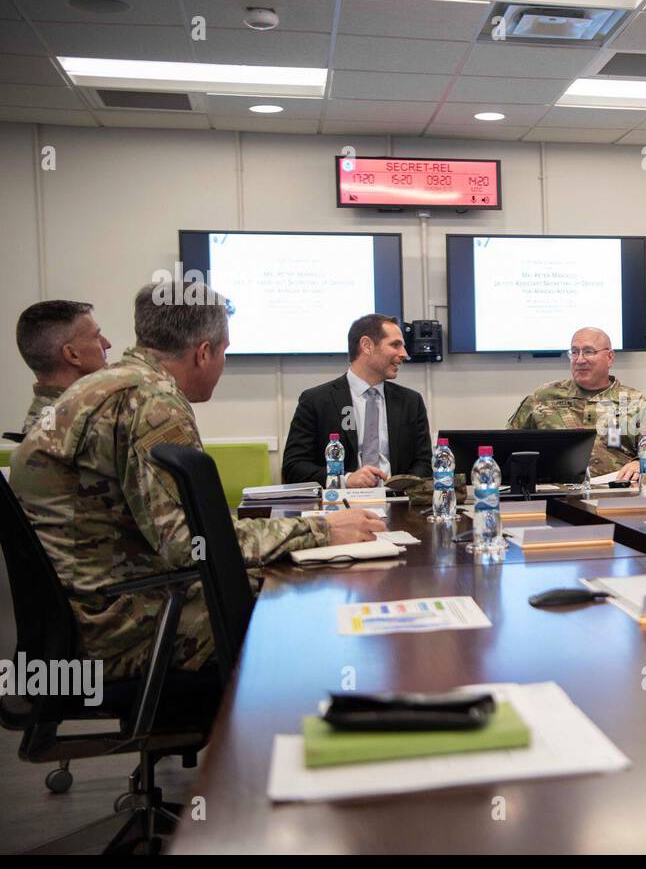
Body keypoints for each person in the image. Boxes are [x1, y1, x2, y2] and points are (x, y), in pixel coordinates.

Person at [10, 281, 383, 680]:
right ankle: (273, 736)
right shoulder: (152, 402)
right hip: (125, 629)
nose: (222, 362)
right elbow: (192, 547)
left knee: (290, 582)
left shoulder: (111, 384)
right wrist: (320, 530)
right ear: (203, 352)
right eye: (224, 351)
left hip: (90, 613)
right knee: (311, 603)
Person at [282, 313, 433, 487]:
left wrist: (400, 487)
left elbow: (424, 464)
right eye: (395, 345)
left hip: (398, 503)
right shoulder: (316, 401)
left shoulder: (411, 402)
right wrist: (345, 480)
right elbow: (293, 468)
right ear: (367, 345)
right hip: (341, 503)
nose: (404, 354)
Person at [508, 326, 646, 480]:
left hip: (615, 496)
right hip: (555, 495)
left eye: (588, 352)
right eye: (574, 352)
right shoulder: (542, 398)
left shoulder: (634, 402)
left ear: (610, 357)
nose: (580, 360)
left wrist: (640, 464)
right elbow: (508, 448)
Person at [14, 299, 112, 435]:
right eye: (96, 336)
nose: (107, 344)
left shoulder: (68, 415)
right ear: (72, 355)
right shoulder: (63, 429)